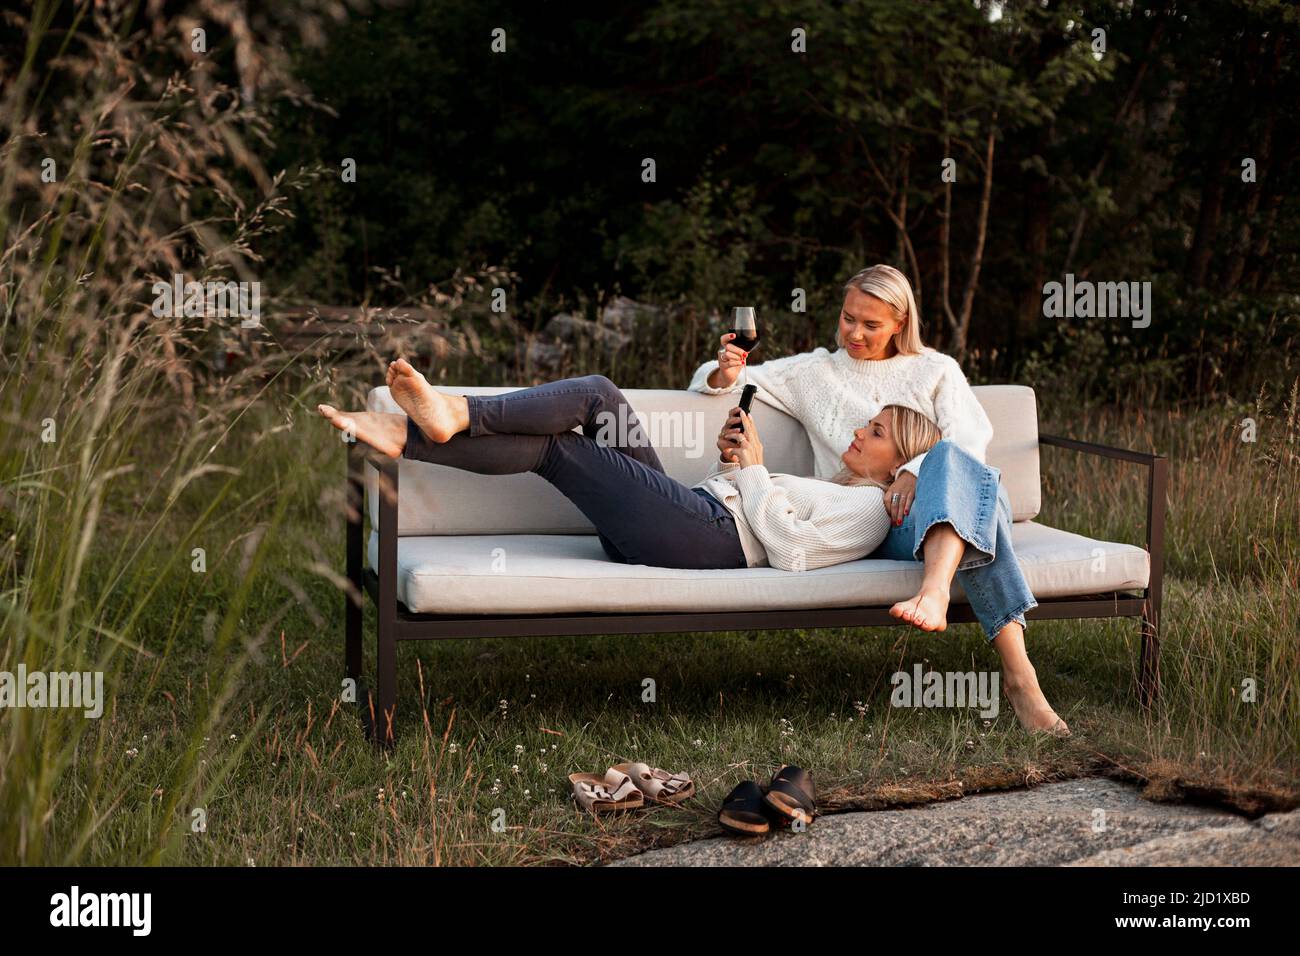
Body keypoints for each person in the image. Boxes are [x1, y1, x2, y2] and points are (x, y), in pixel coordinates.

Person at [686, 264, 1069, 736]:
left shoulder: (936, 369)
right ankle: (1019, 676)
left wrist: (912, 471)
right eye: (849, 319)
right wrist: (725, 371)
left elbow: (971, 438)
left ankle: (941, 596)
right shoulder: (815, 371)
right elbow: (717, 377)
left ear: (900, 325)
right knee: (984, 513)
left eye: (872, 325)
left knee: (959, 468)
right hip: (878, 519)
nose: (856, 334)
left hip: (946, 502)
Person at [318, 362, 938, 574]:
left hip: (709, 538)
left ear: (900, 461)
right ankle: (432, 423)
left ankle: (427, 426)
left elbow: (793, 554)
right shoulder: (843, 489)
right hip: (693, 515)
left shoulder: (870, 510)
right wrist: (742, 468)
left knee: (560, 447)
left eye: (876, 432)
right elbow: (770, 512)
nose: (859, 432)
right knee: (600, 398)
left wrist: (753, 474)